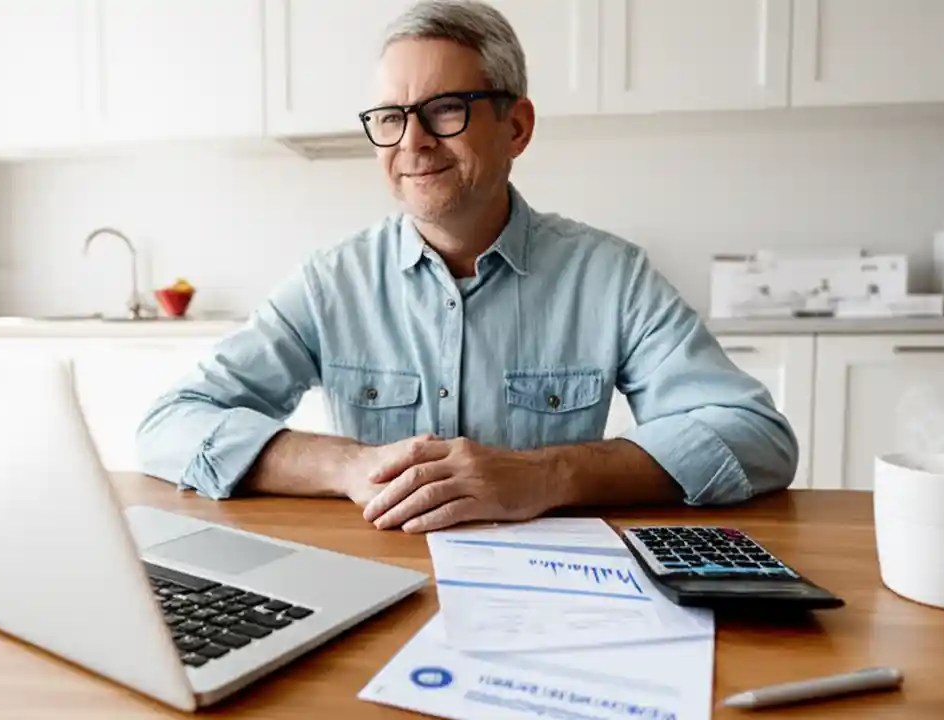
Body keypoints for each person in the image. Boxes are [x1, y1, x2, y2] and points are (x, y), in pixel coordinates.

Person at [138, 0, 797, 533]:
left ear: (516, 128)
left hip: (555, 591)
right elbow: (171, 424)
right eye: (391, 117)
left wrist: (544, 475)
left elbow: (757, 438)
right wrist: (347, 465)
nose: (413, 141)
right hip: (378, 586)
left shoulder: (611, 277)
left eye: (445, 109)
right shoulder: (329, 283)